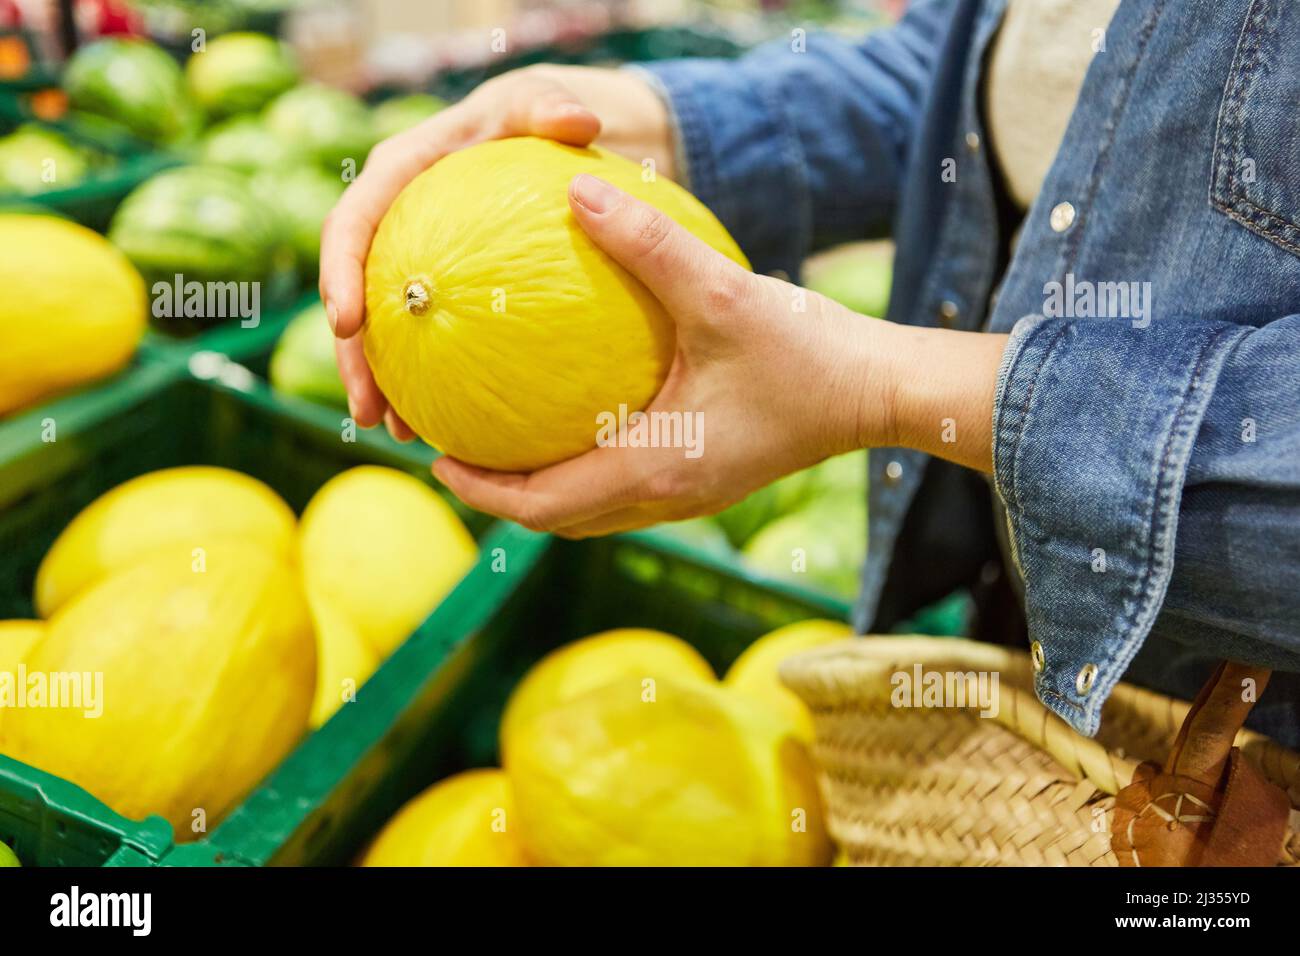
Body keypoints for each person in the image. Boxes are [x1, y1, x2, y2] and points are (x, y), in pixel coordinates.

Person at [320, 0, 1300, 745]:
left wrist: (874, 388)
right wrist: (630, 127)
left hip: (1243, 756)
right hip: (1019, 661)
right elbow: (977, 77)